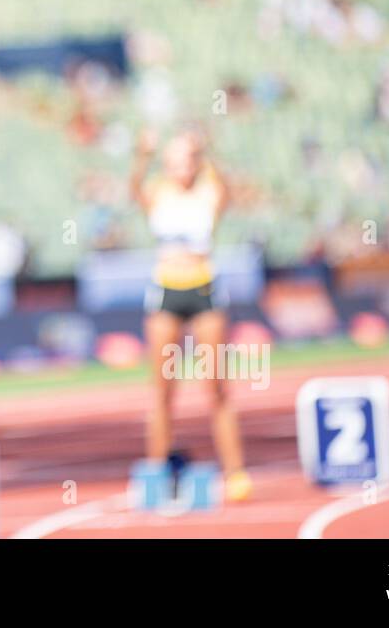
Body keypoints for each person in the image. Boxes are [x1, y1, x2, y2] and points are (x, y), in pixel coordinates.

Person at [129, 127, 251, 502]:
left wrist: (208, 150)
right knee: (163, 389)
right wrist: (143, 153)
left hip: (203, 290)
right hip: (166, 290)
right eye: (175, 160)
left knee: (215, 387)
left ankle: (234, 472)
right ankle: (157, 475)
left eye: (188, 159)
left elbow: (229, 190)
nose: (181, 166)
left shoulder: (210, 191)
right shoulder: (157, 191)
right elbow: (134, 187)